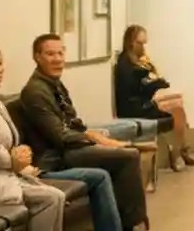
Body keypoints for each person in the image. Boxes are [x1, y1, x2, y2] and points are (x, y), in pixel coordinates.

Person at [0, 43, 123, 231]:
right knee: (51, 198)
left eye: (0, 64)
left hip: (7, 174)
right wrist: (15, 161)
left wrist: (20, 156)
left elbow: (11, 143)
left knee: (55, 195)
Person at [18, 34, 151, 231]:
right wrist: (91, 138)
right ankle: (132, 223)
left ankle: (128, 221)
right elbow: (60, 136)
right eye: (50, 54)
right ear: (37, 57)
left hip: (70, 149)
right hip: (55, 158)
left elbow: (73, 121)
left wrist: (94, 135)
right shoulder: (35, 91)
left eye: (61, 53)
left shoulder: (54, 84)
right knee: (127, 156)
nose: (57, 59)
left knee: (117, 146)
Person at [114, 25, 194, 171]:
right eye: (140, 43)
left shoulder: (137, 62)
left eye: (144, 44)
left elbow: (144, 85)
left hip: (142, 103)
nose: (143, 47)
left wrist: (154, 81)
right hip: (135, 108)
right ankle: (179, 153)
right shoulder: (126, 64)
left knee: (178, 105)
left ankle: (181, 151)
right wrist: (154, 84)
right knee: (177, 110)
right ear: (131, 42)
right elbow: (136, 89)